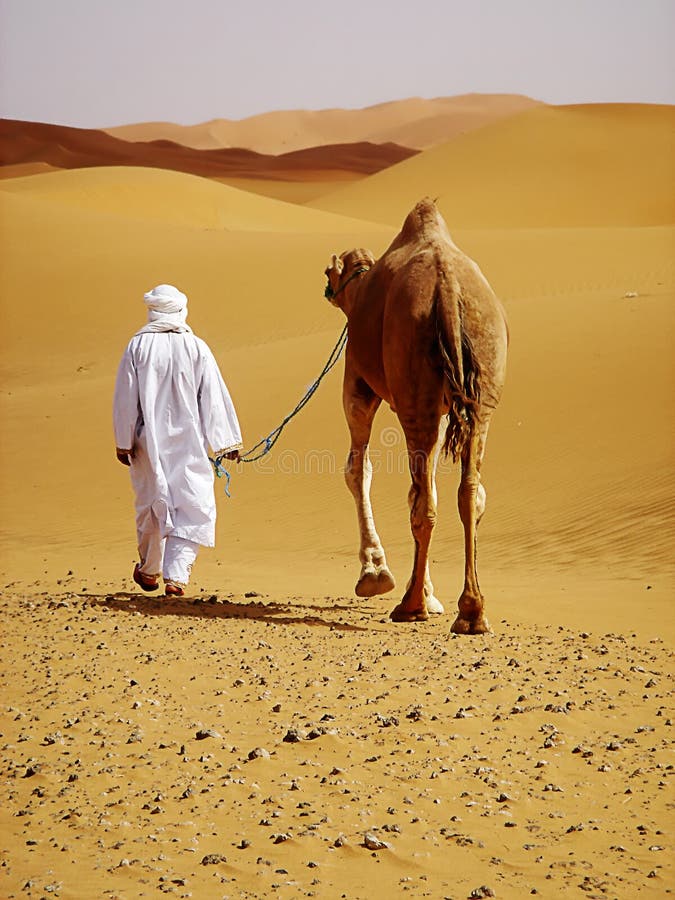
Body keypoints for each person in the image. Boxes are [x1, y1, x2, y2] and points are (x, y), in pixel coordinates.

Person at [113, 283, 242, 597]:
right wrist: (227, 442)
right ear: (181, 310)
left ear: (153, 310)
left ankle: (149, 570)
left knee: (151, 505)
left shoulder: (137, 346)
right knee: (191, 505)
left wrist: (123, 440)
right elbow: (213, 396)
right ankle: (175, 576)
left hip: (147, 442)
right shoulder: (196, 346)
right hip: (189, 443)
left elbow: (125, 398)